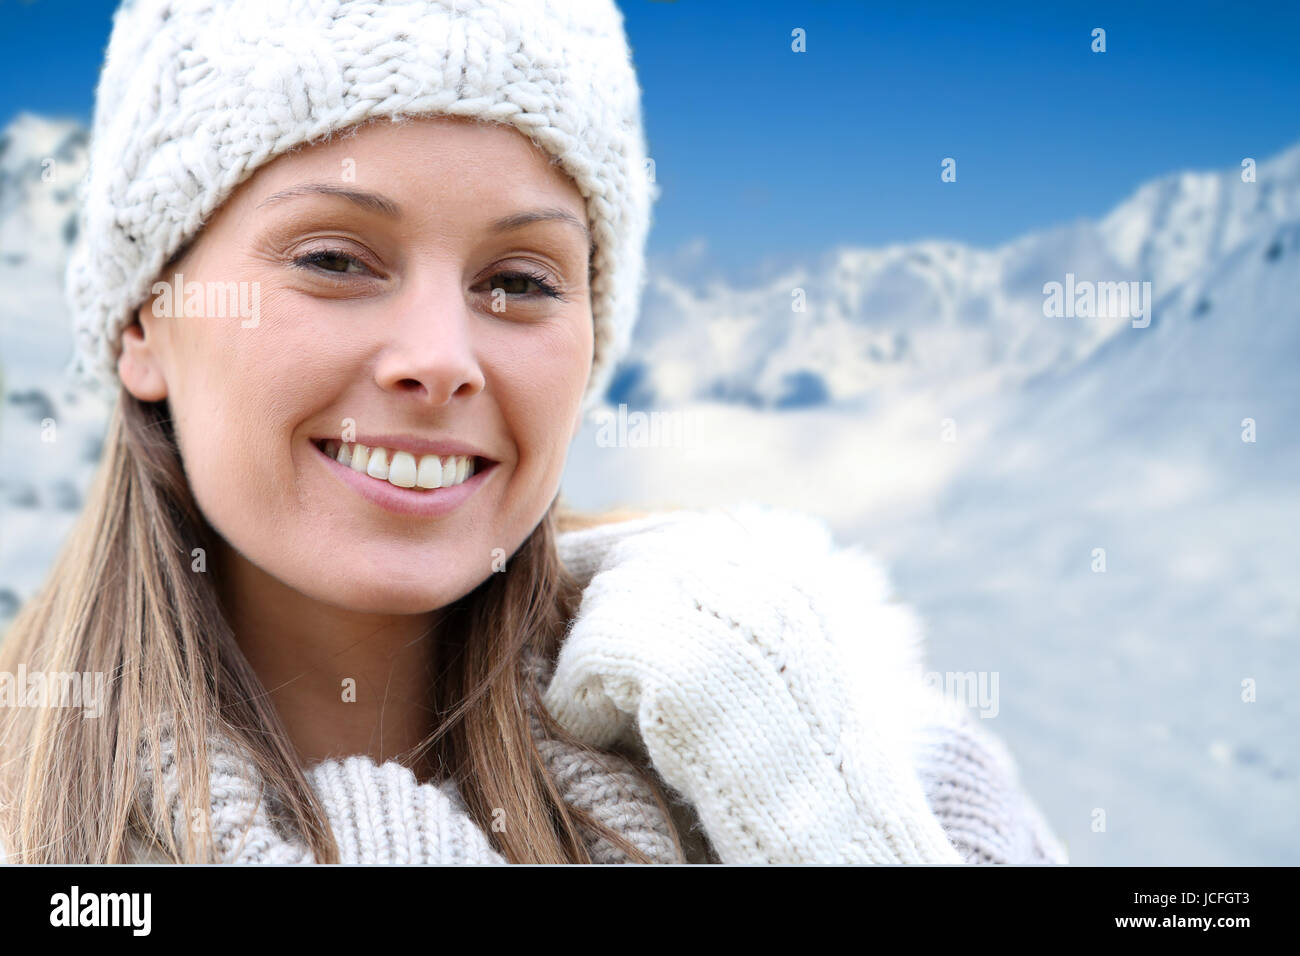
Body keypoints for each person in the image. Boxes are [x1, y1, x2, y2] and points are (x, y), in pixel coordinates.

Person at [0, 0, 1068, 865]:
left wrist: (821, 810)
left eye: (518, 281)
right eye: (333, 258)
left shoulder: (853, 734)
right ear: (146, 317)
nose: (441, 355)